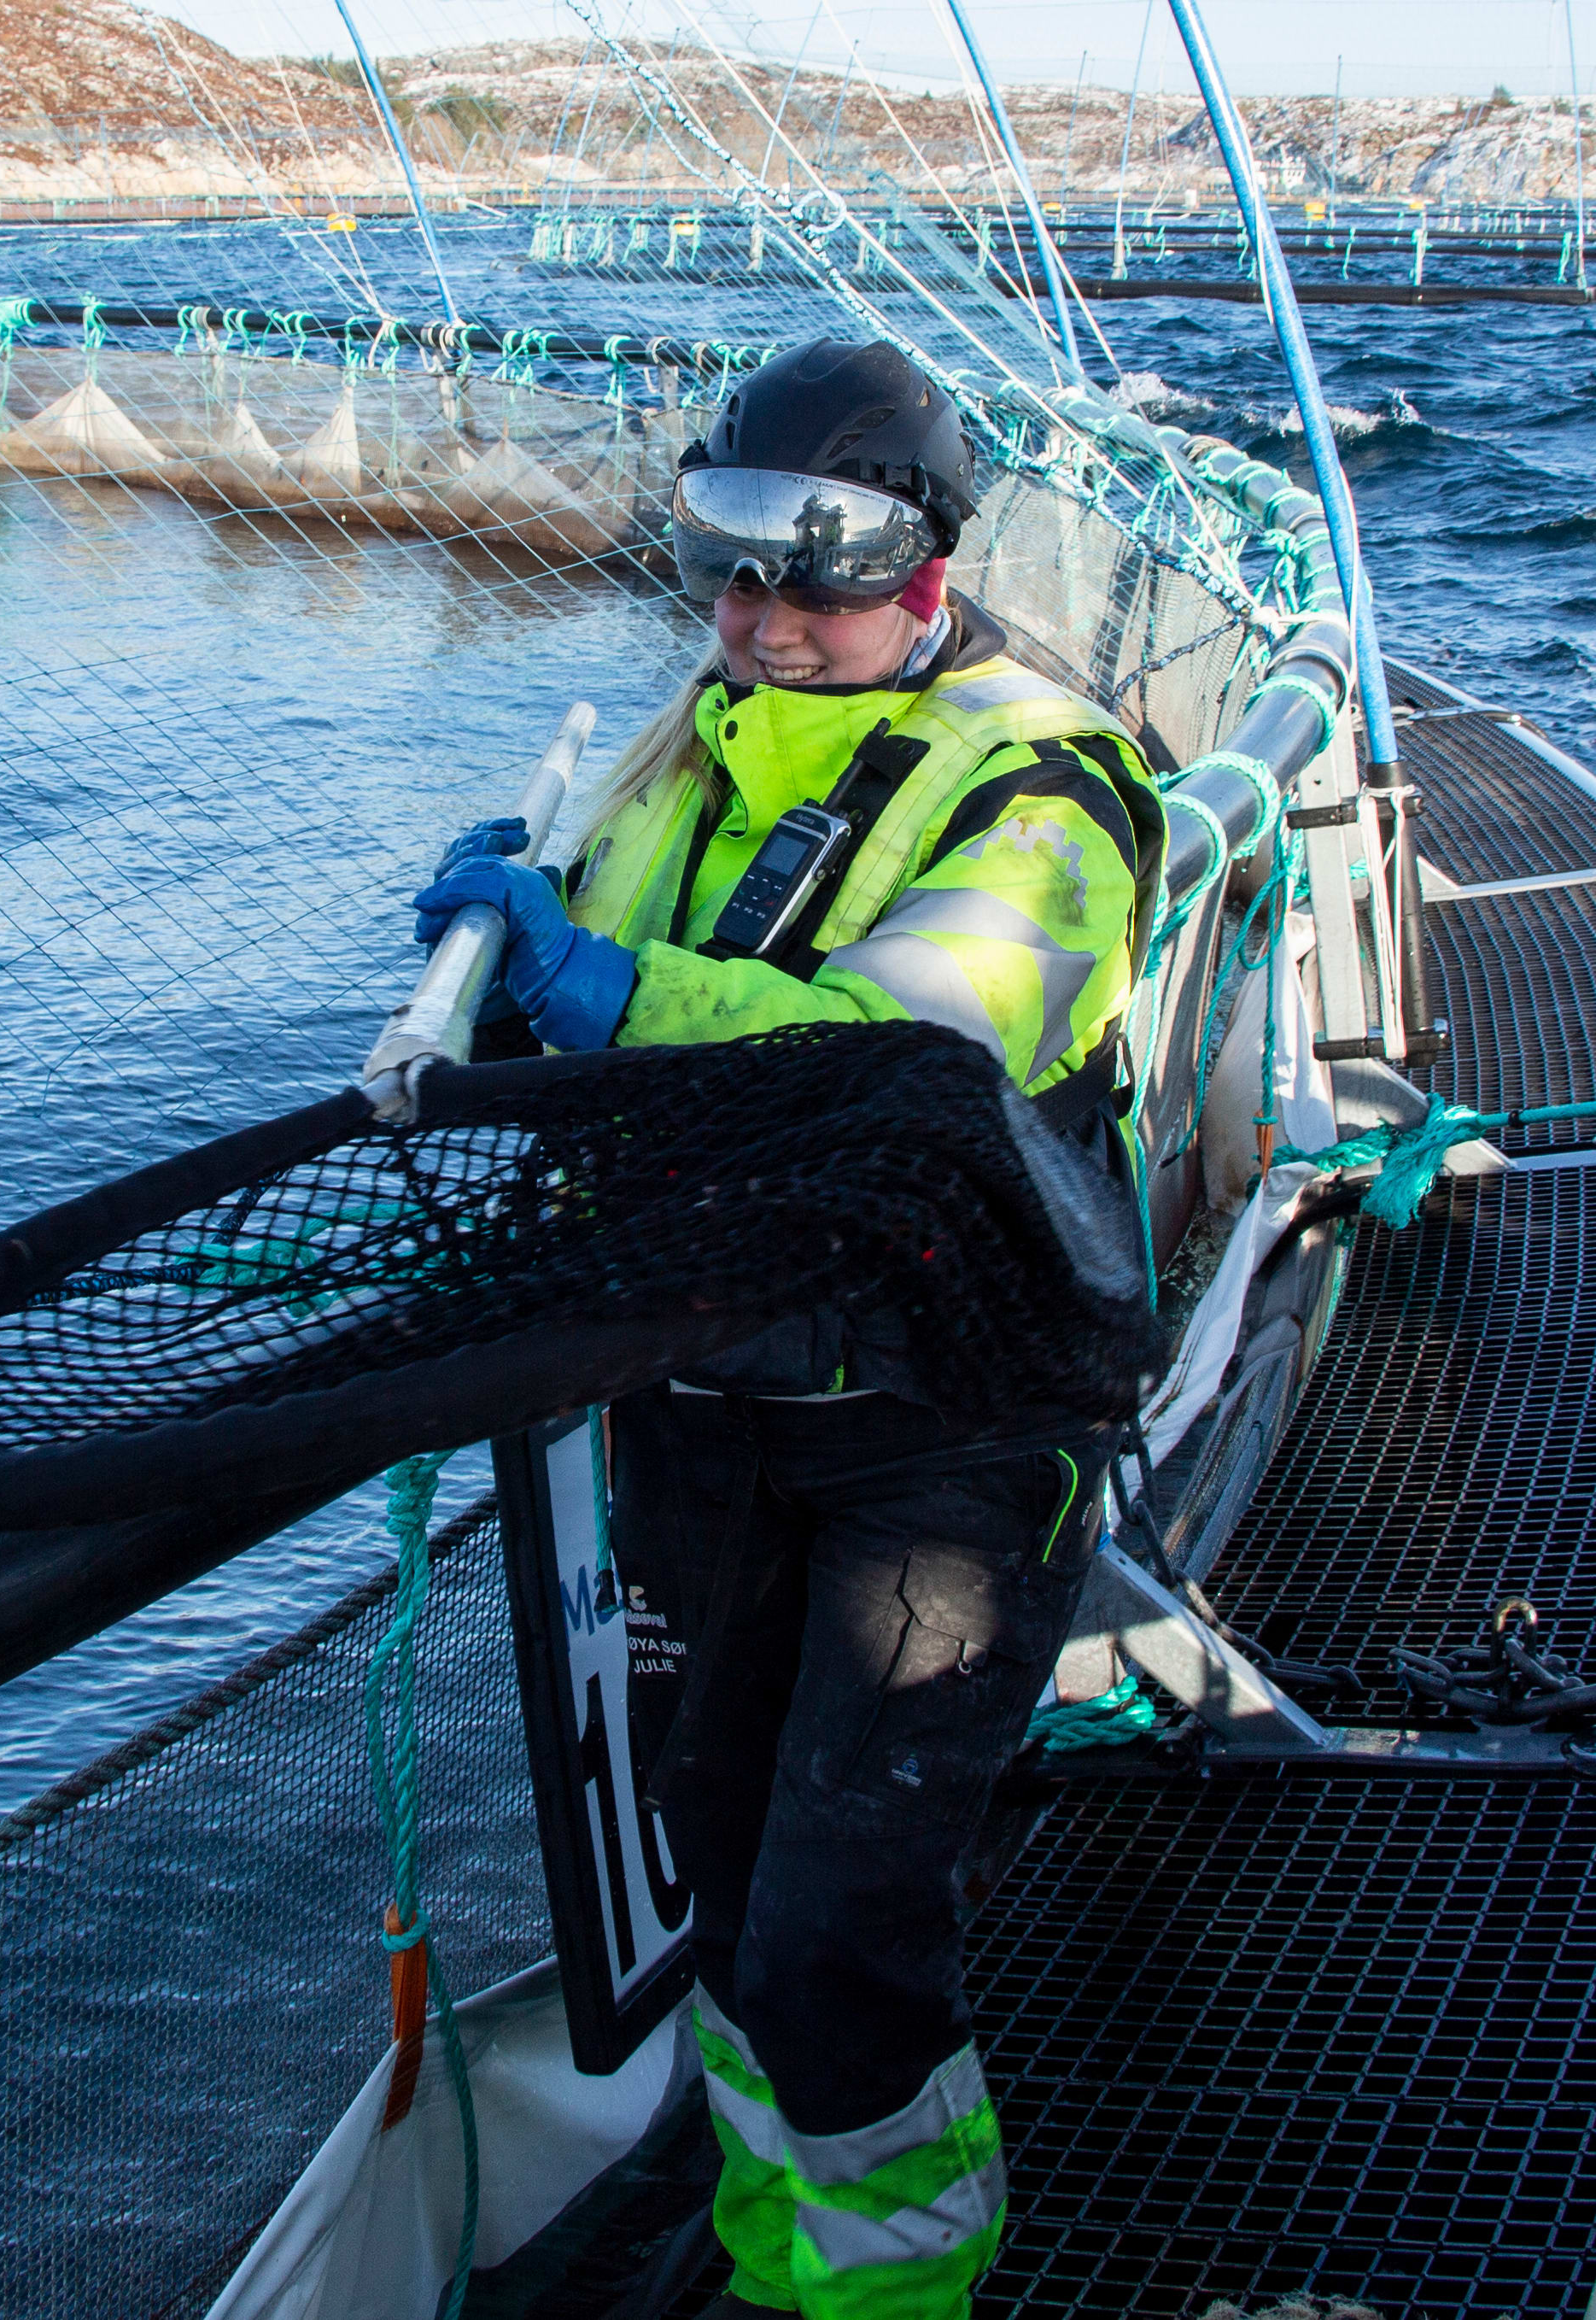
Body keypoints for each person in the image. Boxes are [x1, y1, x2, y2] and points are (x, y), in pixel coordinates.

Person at [410, 338, 1166, 2320]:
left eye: (809, 581)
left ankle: (899, 2291)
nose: (756, 621)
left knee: (843, 1921)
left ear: (925, 575)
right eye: (721, 571)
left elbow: (909, 1050)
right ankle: (779, 2245)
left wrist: (602, 990)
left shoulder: (1047, 785)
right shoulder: (701, 728)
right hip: (705, 1404)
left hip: (941, 1429)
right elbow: (610, 983)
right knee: (725, 1879)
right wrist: (506, 960)